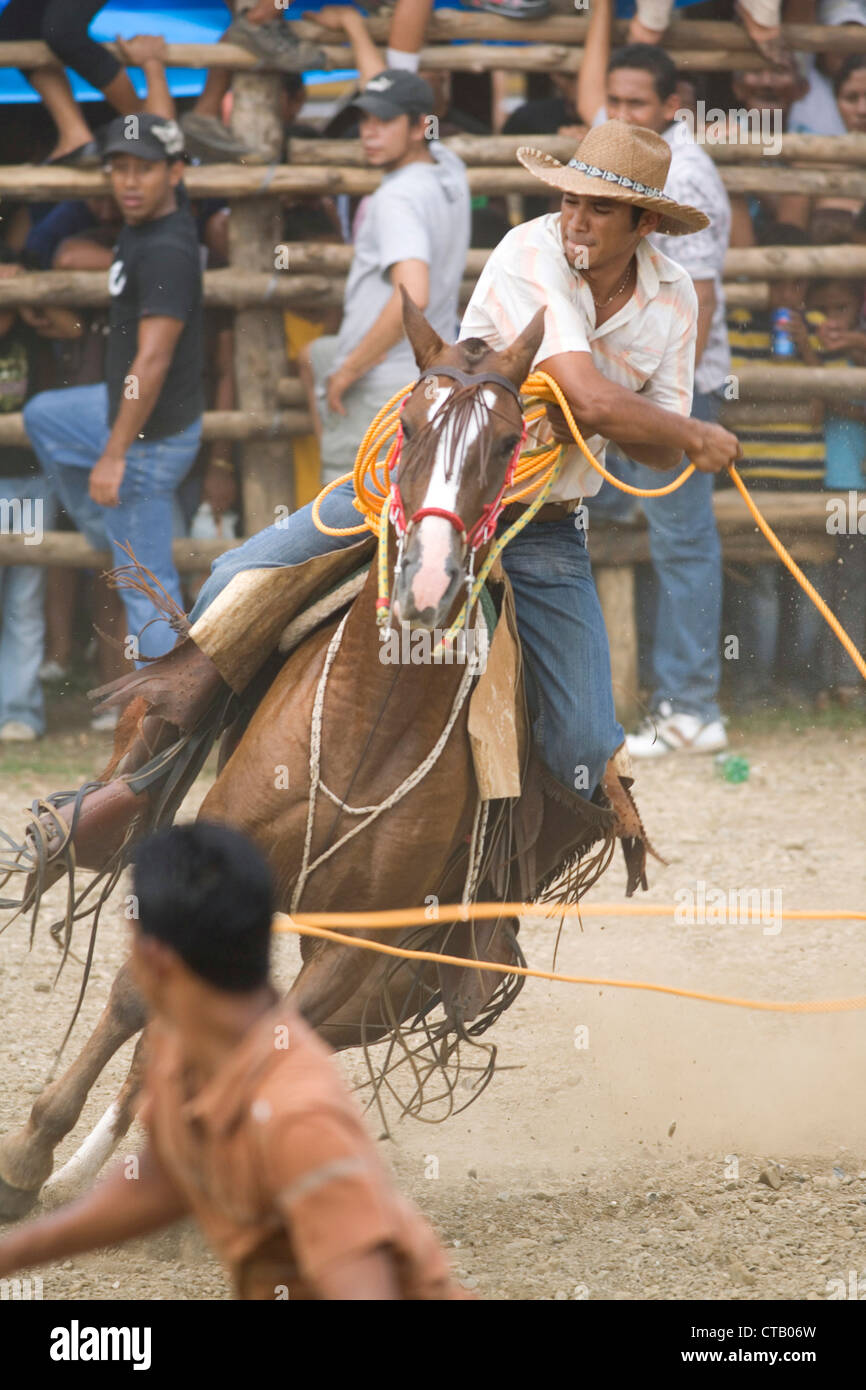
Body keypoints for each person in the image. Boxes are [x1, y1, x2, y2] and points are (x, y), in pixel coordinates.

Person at [27, 120, 740, 869]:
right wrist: (690, 435)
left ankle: (500, 899)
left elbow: (651, 450)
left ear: (646, 222)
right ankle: (130, 790)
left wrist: (668, 434)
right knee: (239, 579)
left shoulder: (675, 296)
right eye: (569, 200)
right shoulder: (531, 252)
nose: (575, 219)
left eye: (597, 208)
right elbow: (594, 401)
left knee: (588, 748)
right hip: (420, 493)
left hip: (542, 520)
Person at [0, 822, 465, 1301]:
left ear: (155, 960)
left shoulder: (299, 1119)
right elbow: (164, 1181)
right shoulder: (184, 1051)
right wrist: (15, 1255)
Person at [577, 22, 732, 758]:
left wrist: (671, 415)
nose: (623, 113)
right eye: (614, 99)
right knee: (613, 515)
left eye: (637, 102)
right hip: (627, 385)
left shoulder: (684, 175)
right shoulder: (632, 158)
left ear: (675, 103)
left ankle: (692, 709)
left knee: (681, 540)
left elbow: (696, 299)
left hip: (676, 386)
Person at [23, 100, 204, 665]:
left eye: (143, 168)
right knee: (43, 416)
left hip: (148, 441)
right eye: (119, 167)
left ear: (174, 173)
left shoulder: (167, 250)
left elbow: (151, 361)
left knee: (145, 588)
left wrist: (114, 455)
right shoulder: (143, 226)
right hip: (126, 417)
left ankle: (170, 718)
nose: (128, 181)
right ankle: (105, 525)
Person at [289, 55, 471, 485]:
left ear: (419, 127)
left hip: (379, 389)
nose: (368, 133)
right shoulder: (449, 169)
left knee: (348, 527)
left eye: (384, 122)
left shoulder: (397, 197)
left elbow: (414, 295)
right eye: (365, 119)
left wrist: (349, 370)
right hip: (426, 377)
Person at [722, 222, 829, 708]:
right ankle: (753, 687)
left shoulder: (823, 329)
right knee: (759, 583)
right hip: (756, 475)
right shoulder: (737, 326)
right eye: (779, 281)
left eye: (798, 284)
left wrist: (807, 350)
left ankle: (802, 683)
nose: (788, 293)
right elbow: (726, 395)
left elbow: (830, 402)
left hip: (806, 477)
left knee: (807, 584)